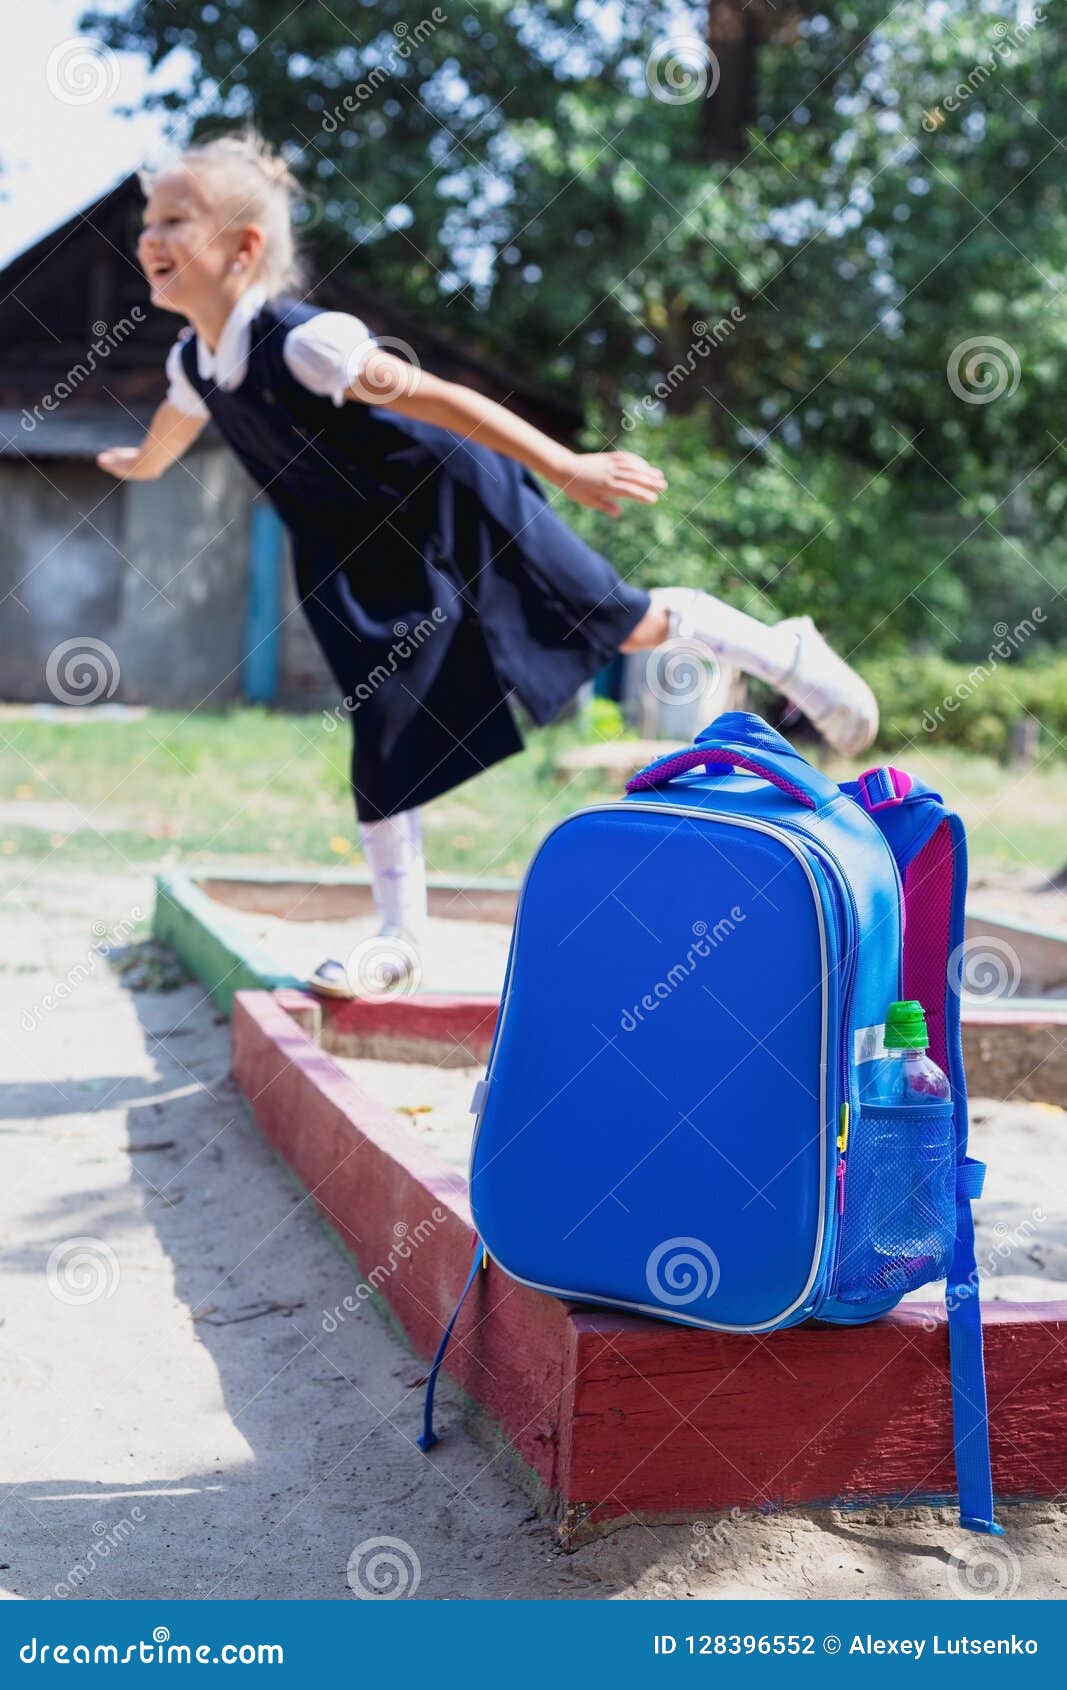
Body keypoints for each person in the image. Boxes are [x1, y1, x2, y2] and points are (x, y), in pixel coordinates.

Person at [99, 131, 878, 996]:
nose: (149, 238)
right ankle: (398, 937)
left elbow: (441, 397)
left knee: (616, 623)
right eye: (148, 221)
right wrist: (139, 465)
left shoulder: (305, 342)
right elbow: (177, 418)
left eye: (174, 219)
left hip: (452, 500)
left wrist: (567, 467)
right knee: (384, 719)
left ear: (243, 248)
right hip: (358, 552)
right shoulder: (192, 361)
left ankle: (787, 654)